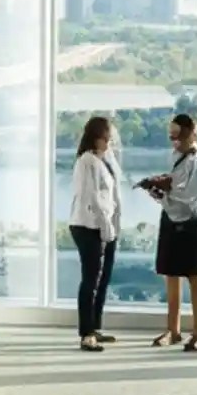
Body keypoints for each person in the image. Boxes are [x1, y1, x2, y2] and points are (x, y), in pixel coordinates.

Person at [143, 113, 197, 352]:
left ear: (192, 133)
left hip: (192, 221)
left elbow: (189, 197)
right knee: (170, 273)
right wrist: (159, 188)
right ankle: (173, 330)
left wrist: (164, 191)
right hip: (171, 217)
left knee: (194, 273)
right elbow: (174, 187)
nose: (174, 141)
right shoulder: (176, 157)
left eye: (178, 136)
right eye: (171, 136)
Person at [69, 116, 122, 352]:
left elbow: (112, 193)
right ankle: (86, 333)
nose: (109, 142)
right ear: (95, 137)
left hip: (105, 227)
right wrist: (104, 223)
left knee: (102, 278)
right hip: (88, 226)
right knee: (90, 279)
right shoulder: (86, 161)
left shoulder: (103, 160)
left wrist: (112, 223)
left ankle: (95, 326)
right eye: (105, 138)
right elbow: (90, 196)